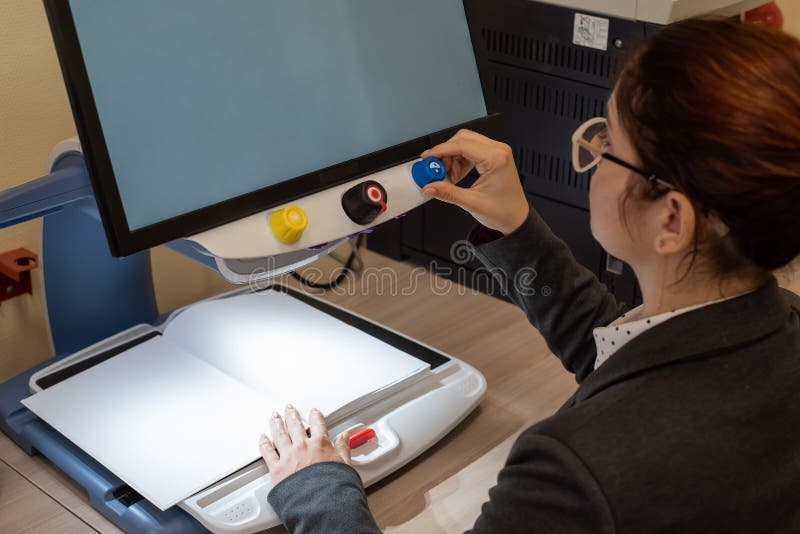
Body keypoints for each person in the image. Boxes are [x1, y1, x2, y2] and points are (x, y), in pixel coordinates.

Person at [258, 17, 800, 533]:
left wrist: (317, 490)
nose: (590, 152)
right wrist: (514, 226)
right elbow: (624, 360)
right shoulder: (775, 332)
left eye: (609, 143)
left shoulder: (576, 471)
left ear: (672, 219)